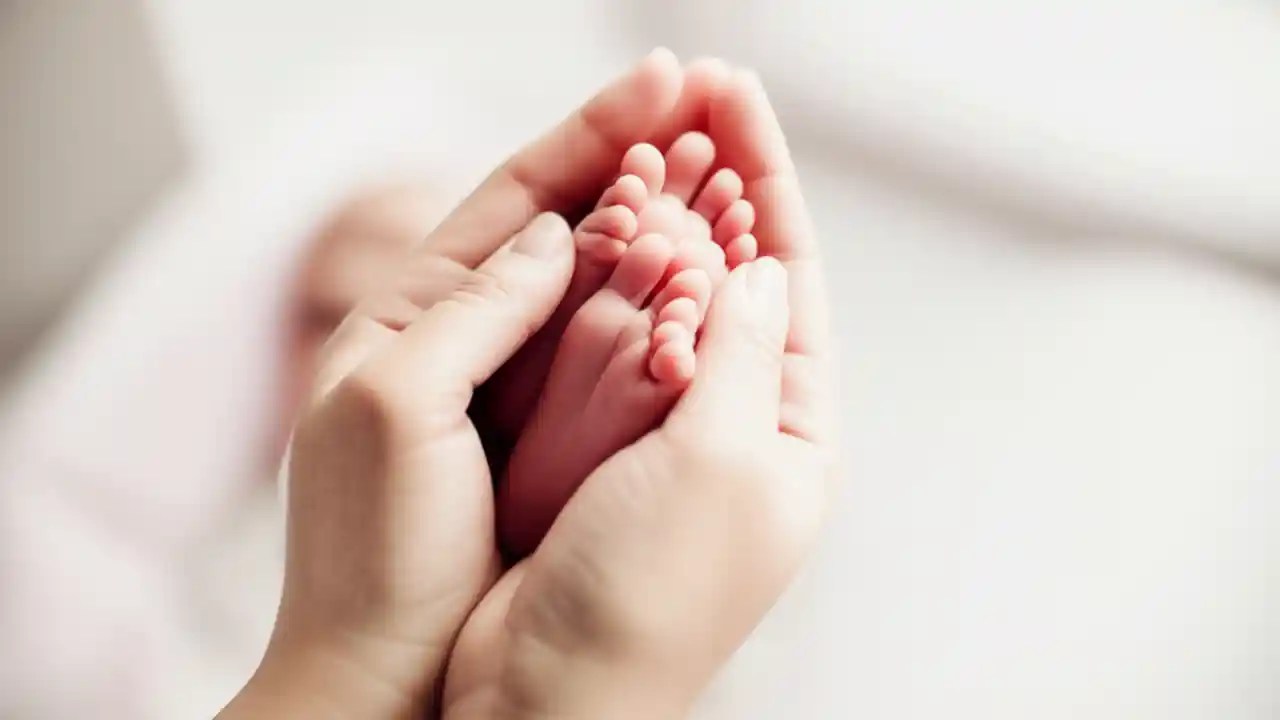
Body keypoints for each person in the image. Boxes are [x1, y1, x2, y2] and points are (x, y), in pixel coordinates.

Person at [219, 48, 835, 719]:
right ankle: (555, 465)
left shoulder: (290, 590)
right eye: (330, 316)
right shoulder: (222, 568)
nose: (394, 362)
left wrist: (351, 660)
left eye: (442, 320)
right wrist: (564, 684)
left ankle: (542, 447)